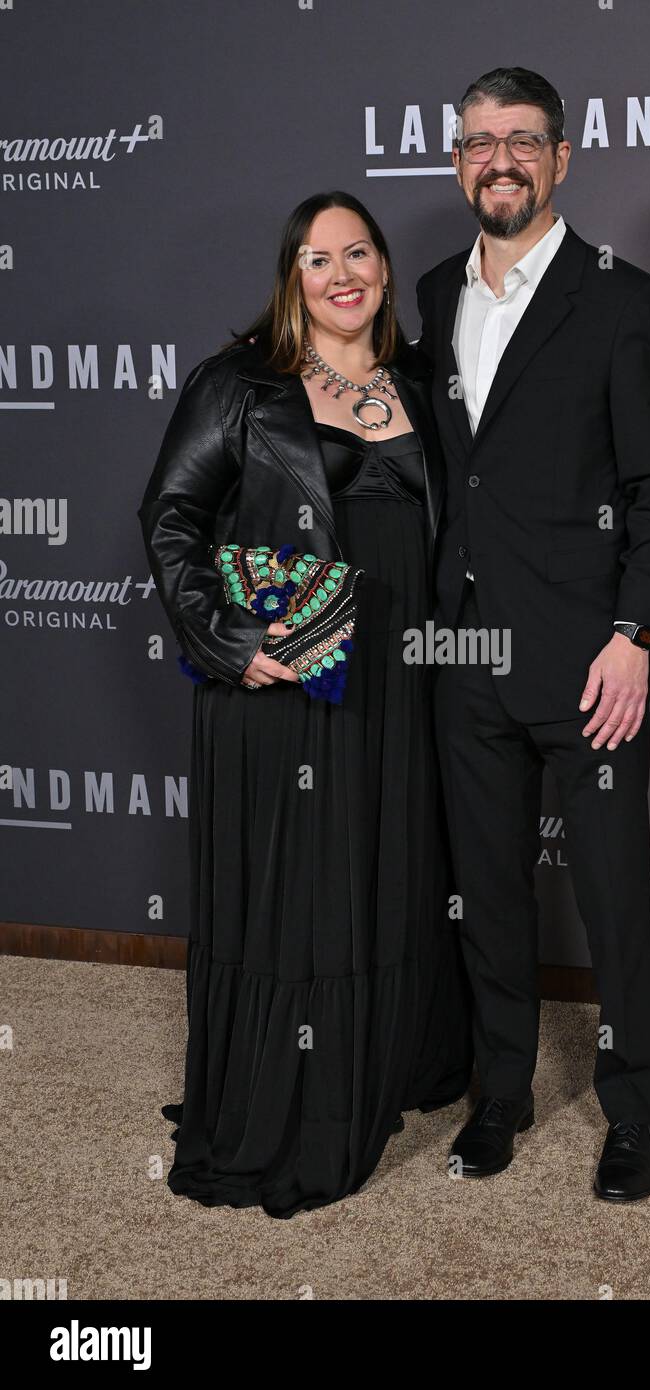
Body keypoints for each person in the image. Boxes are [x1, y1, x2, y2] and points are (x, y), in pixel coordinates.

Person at [137, 191, 472, 1219]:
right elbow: (171, 515)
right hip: (287, 676)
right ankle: (290, 1105)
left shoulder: (425, 380)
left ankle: (382, 1061)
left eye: (356, 252)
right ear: (291, 277)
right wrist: (230, 642)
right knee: (302, 888)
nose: (340, 275)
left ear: (383, 267)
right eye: (316, 259)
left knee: (389, 869)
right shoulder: (240, 381)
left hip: (401, 672)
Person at [416, 68, 650, 1200]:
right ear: (457, 162)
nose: (500, 160)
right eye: (479, 142)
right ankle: (501, 1093)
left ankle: (633, 1113)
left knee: (614, 895)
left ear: (561, 158)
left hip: (590, 657)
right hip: (462, 651)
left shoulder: (624, 299)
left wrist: (635, 634)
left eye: (522, 140)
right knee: (486, 891)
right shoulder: (431, 293)